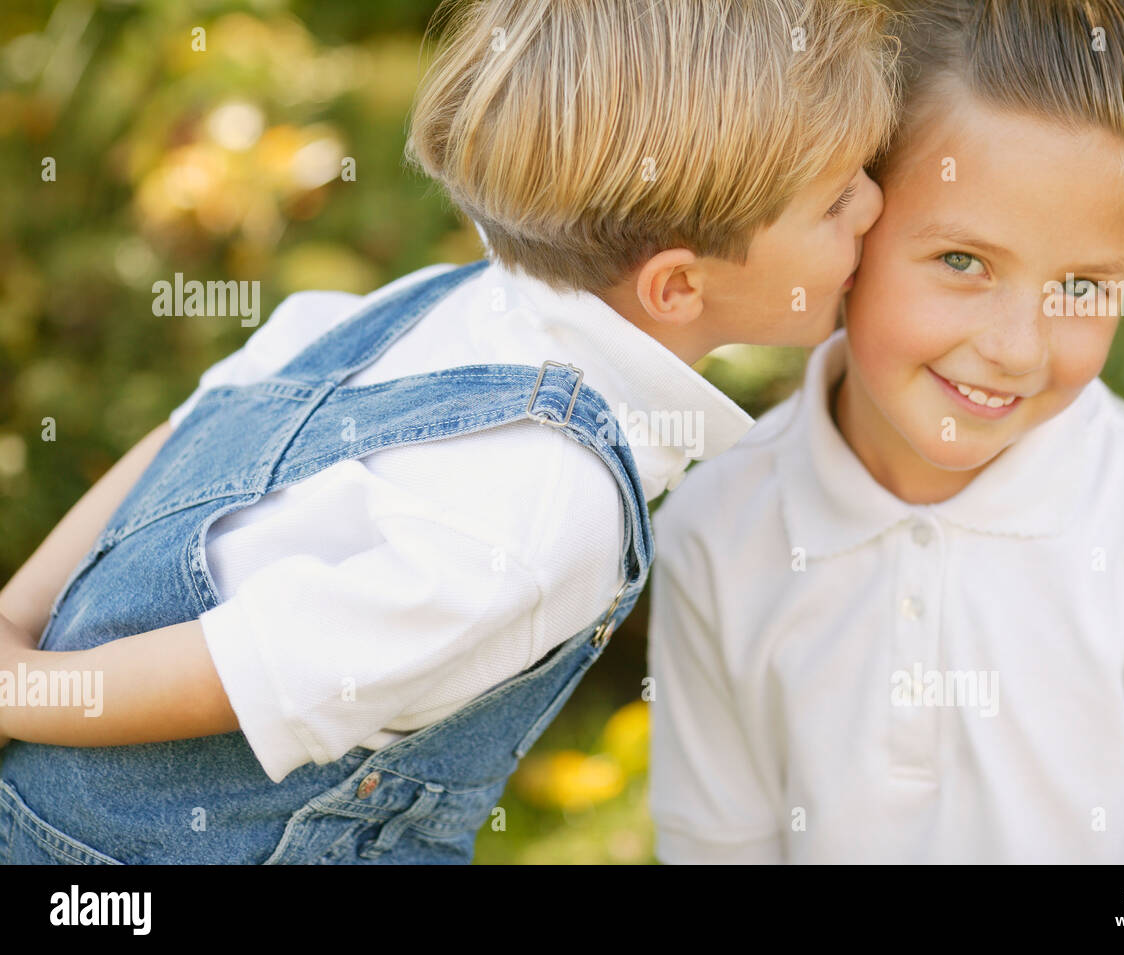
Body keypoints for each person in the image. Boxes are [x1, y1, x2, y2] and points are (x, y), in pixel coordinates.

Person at [0, 0, 896, 864]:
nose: (874, 207)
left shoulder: (442, 305)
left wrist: (17, 613)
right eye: (836, 200)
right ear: (675, 288)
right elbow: (250, 672)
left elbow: (186, 436)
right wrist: (23, 686)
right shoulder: (552, 503)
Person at [647, 0, 1124, 863]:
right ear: (851, 232)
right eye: (964, 262)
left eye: (1080, 285)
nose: (1017, 349)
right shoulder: (719, 527)